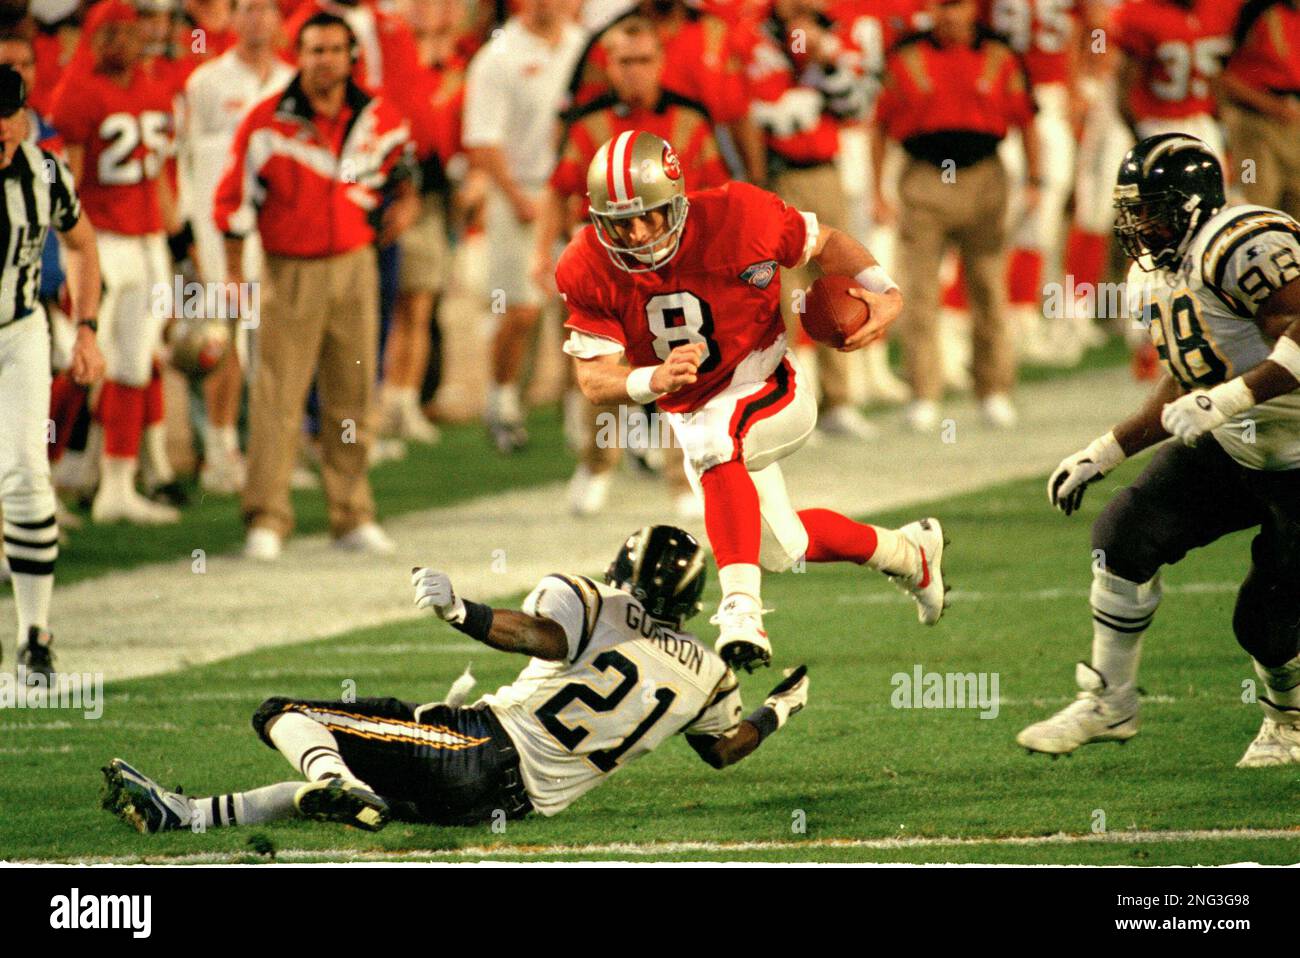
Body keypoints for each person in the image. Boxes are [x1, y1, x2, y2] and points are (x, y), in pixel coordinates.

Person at [100, 526, 810, 832]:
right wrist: (780, 711)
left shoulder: (601, 600)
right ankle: (187, 817)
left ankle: (341, 784)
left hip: (481, 746)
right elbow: (723, 750)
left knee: (282, 712)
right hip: (513, 802)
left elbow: (537, 634)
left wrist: (458, 608)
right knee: (350, 782)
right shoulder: (707, 671)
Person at [556, 130, 948, 672]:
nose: (638, 233)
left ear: (679, 200)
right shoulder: (587, 263)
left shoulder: (740, 214)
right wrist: (653, 379)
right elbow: (594, 378)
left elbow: (824, 241)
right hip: (693, 413)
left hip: (767, 382)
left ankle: (740, 609)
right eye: (621, 221)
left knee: (720, 442)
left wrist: (885, 291)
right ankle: (910, 554)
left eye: (649, 215)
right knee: (780, 546)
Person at [1019, 133, 1300, 767]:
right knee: (1125, 532)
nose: (1138, 225)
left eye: (1152, 208)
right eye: (1132, 210)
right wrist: (1107, 449)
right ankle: (1110, 700)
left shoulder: (1242, 244)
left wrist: (1226, 401)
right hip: (1237, 446)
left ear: (1195, 203)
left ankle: (1289, 719)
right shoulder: (1163, 272)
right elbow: (1192, 371)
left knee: (1265, 623)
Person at [214, 12, 418, 561]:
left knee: (352, 395)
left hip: (355, 266)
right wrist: (235, 273)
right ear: (297, 54)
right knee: (277, 396)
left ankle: (351, 514)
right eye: (313, 50)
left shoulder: (377, 114)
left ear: (352, 55)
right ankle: (267, 517)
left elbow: (407, 168)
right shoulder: (267, 121)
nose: (323, 60)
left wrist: (406, 206)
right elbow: (230, 202)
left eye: (333, 49)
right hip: (288, 271)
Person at [534, 15, 729, 517]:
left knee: (684, 371)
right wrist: (542, 256)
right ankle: (597, 465)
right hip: (606, 267)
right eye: (624, 62)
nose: (635, 72)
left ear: (661, 63)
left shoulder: (691, 118)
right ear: (608, 66)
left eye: (644, 60)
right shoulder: (587, 121)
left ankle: (682, 478)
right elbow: (557, 192)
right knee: (605, 372)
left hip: (678, 270)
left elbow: (715, 197)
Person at [871, 0, 1040, 432]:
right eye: (941, 6)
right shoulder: (905, 54)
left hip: (984, 175)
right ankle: (924, 393)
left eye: (957, 6)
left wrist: (1035, 179)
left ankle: (994, 389)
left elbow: (1027, 119)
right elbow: (880, 124)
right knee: (920, 291)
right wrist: (877, 190)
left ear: (973, 10)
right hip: (925, 177)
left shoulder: (1000, 53)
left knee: (987, 287)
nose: (949, 15)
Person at [51, 0, 182, 525]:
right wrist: (72, 254)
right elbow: (71, 186)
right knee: (79, 365)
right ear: (98, 38)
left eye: (135, 31)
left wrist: (180, 239)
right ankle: (43, 478)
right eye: (119, 33)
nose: (131, 42)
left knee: (133, 364)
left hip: (147, 241)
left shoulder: (153, 88)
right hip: (99, 241)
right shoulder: (78, 90)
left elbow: (162, 176)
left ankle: (119, 486)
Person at [0, 64, 104, 678]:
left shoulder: (44, 173)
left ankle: (34, 636)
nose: (1, 130)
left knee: (25, 478)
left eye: (8, 116)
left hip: (18, 332)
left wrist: (85, 325)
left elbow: (83, 243)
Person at [180, 0, 294, 495]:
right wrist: (193, 229)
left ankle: (272, 449)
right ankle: (220, 448)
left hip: (277, 226)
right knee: (222, 337)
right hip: (218, 226)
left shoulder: (292, 80)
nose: (256, 20)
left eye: (265, 10)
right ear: (232, 17)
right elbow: (187, 161)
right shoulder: (207, 82)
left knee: (274, 339)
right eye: (245, 9)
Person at [1218, 0, 1300, 219]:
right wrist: (1270, 105)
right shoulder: (1255, 12)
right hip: (1252, 125)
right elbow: (1225, 78)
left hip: (1293, 127)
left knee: (1295, 206)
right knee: (1252, 200)